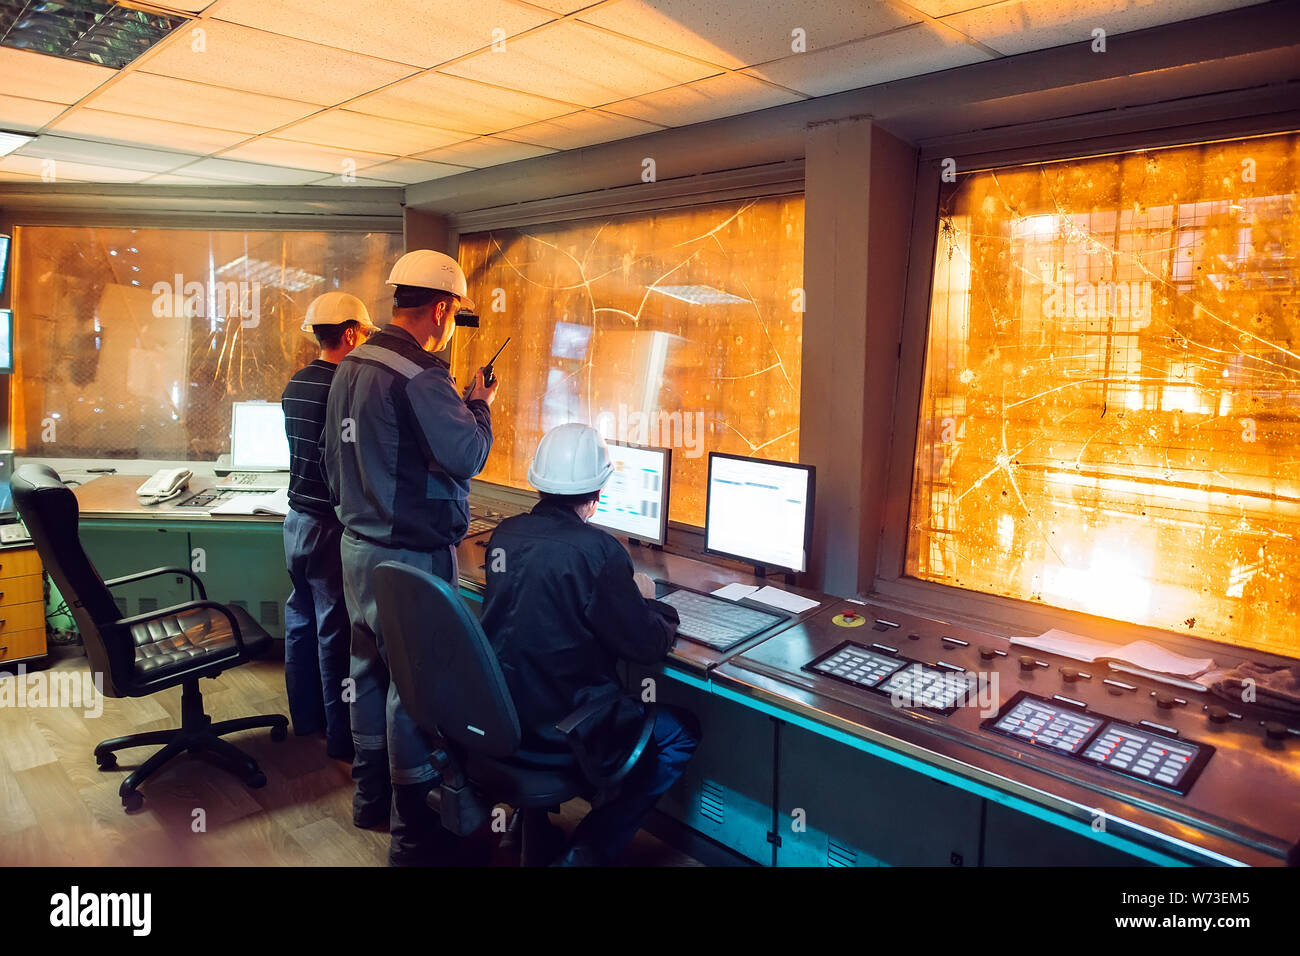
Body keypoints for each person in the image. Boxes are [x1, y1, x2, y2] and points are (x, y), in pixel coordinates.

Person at [323, 249, 498, 867]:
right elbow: (467, 455)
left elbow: (333, 459)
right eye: (454, 311)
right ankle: (411, 838)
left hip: (355, 549)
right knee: (413, 690)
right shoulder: (422, 374)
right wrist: (478, 403)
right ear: (444, 307)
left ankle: (369, 799)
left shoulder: (355, 362)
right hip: (410, 560)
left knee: (366, 671)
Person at [480, 423, 700, 866]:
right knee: (681, 732)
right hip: (564, 731)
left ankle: (532, 825)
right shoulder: (598, 552)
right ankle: (588, 850)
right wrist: (652, 604)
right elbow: (646, 647)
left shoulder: (505, 535)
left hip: (502, 718)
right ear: (599, 492)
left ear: (538, 482)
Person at [281, 292, 378, 761]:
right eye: (364, 335)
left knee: (300, 619)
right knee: (335, 631)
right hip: (327, 526)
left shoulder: (297, 383)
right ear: (350, 334)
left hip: (295, 522)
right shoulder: (343, 388)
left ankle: (306, 721)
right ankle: (342, 739)